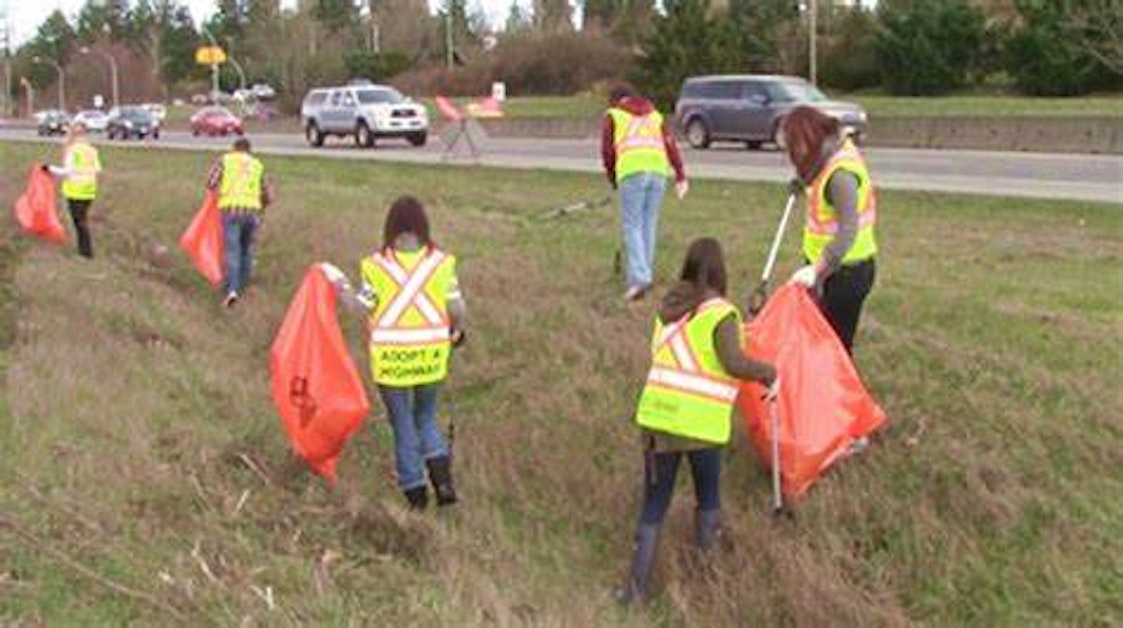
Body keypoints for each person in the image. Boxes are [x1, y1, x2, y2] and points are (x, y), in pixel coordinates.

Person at [618, 238, 778, 605]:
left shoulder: (667, 311)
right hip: (701, 428)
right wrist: (769, 373)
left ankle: (634, 592)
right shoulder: (722, 314)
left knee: (653, 507)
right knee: (708, 500)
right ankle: (708, 585)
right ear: (721, 271)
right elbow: (733, 362)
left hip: (657, 423)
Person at [327, 196, 467, 511]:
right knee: (426, 417)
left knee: (402, 422)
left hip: (391, 360)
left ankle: (415, 495)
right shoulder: (441, 262)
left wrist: (340, 285)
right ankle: (443, 483)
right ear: (423, 225)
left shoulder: (375, 266)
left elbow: (359, 307)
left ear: (390, 226)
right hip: (431, 356)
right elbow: (457, 307)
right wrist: (456, 332)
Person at [781, 106, 879, 353]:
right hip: (823, 268)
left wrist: (817, 270)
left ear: (809, 139)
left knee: (835, 346)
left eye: (795, 148)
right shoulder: (830, 150)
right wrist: (802, 180)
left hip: (847, 272)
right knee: (814, 339)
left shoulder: (840, 177)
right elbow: (816, 167)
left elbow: (848, 231)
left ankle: (838, 379)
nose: (794, 155)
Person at [601, 83, 689, 302]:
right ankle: (644, 272)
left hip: (632, 172)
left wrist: (612, 177)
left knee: (632, 225)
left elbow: (608, 152)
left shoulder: (614, 115)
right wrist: (680, 174)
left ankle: (640, 279)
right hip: (658, 172)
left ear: (615, 100)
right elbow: (670, 144)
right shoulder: (654, 115)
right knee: (648, 224)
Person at [206, 137, 274, 307]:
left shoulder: (225, 160)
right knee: (247, 250)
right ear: (249, 150)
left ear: (234, 148)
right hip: (252, 213)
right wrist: (262, 206)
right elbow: (268, 195)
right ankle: (244, 288)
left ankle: (232, 290)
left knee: (232, 251)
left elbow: (211, 182)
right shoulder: (257, 165)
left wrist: (218, 194)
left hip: (231, 210)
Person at [45, 123, 101, 258]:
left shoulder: (72, 151)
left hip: (76, 190)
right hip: (89, 190)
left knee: (79, 222)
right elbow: (98, 169)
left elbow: (67, 171)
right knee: (82, 219)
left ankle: (86, 252)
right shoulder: (92, 150)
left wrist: (49, 169)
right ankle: (84, 250)